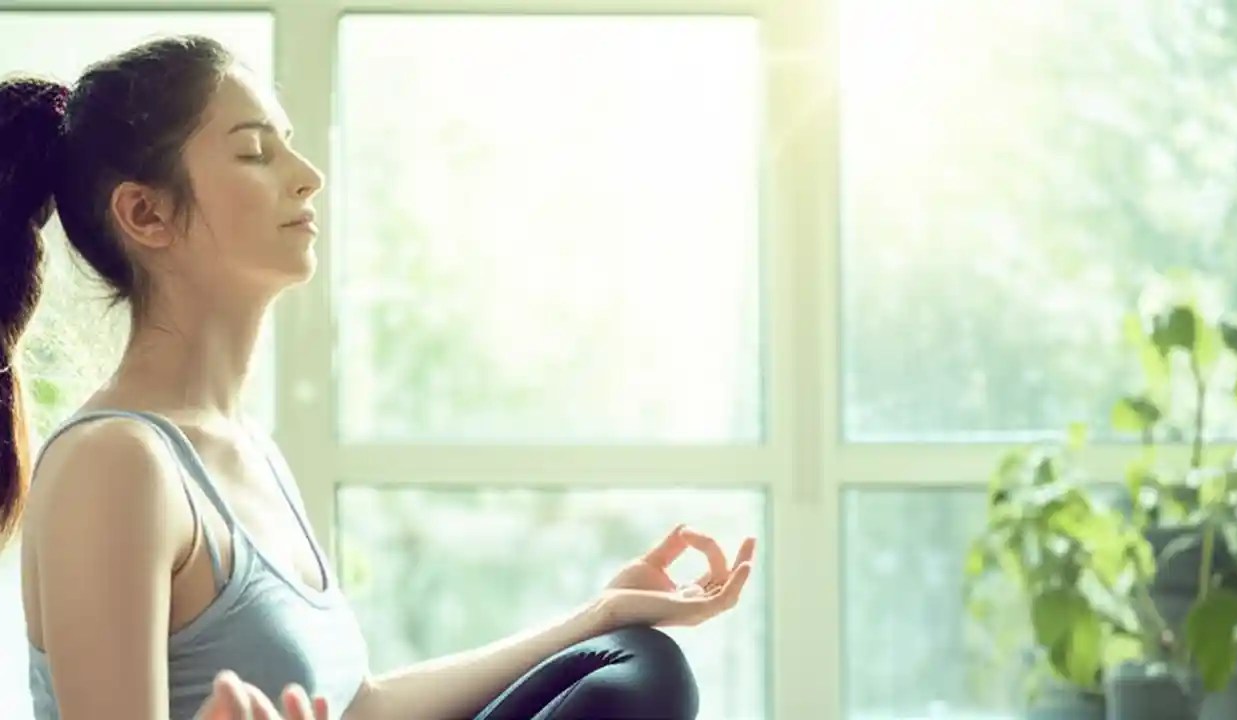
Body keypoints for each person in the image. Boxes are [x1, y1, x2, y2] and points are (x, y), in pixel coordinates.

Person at [0, 34, 756, 720]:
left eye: (289, 145)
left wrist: (600, 614)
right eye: (256, 152)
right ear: (146, 214)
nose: (307, 177)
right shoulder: (117, 465)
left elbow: (360, 706)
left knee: (637, 665)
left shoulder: (248, 452)